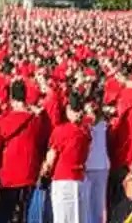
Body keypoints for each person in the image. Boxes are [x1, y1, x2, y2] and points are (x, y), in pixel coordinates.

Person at [0, 81, 44, 223]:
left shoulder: (4, 121)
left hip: (10, 173)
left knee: (5, 210)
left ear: (11, 99)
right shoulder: (36, 120)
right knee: (25, 212)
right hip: (29, 171)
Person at [42, 93, 92, 223]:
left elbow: (51, 158)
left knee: (62, 218)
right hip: (80, 179)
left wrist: (44, 172)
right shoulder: (85, 131)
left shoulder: (60, 131)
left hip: (62, 179)